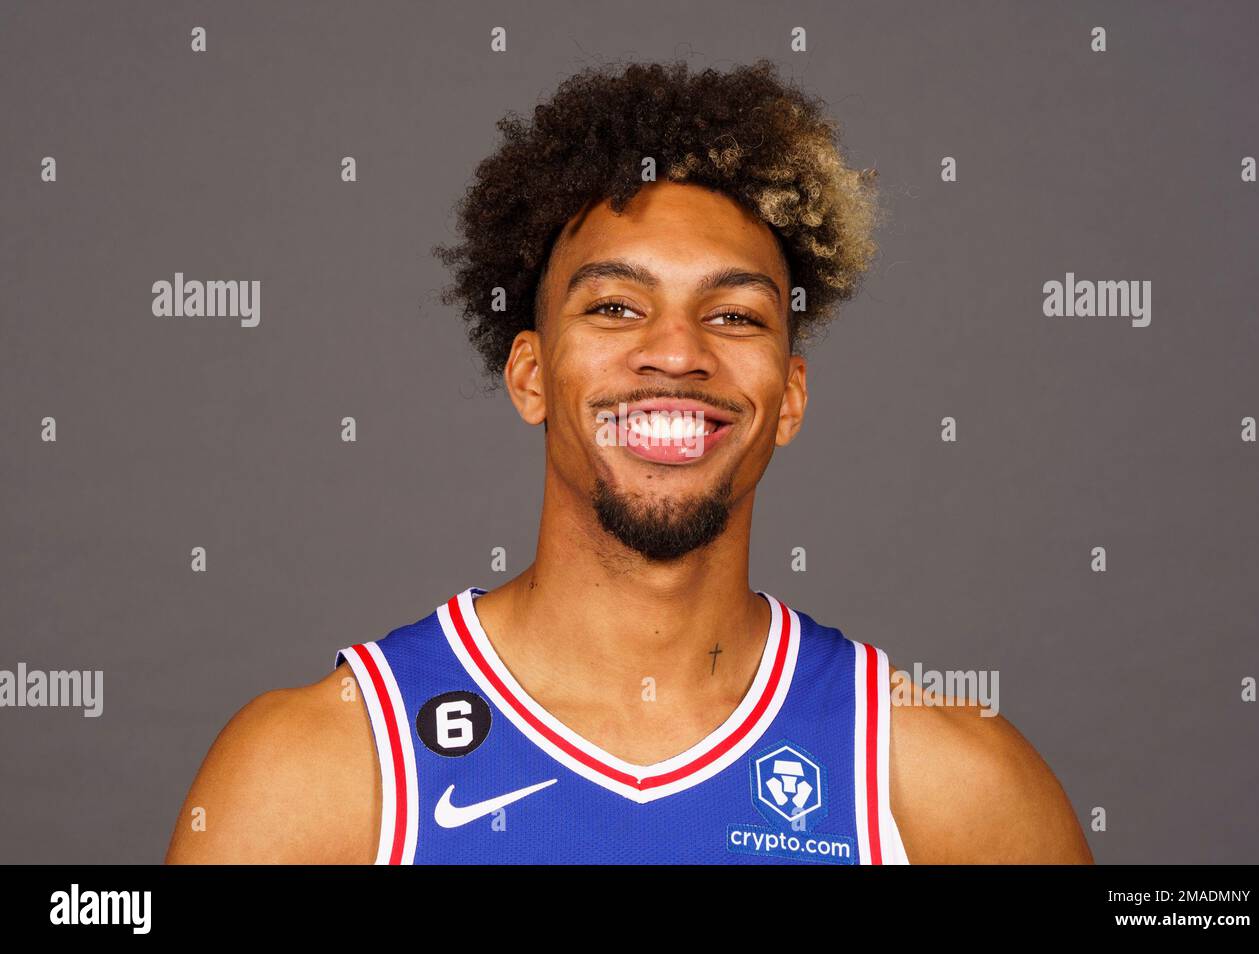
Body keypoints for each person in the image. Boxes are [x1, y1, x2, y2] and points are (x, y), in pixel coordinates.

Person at [165, 59, 1093, 864]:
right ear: (529, 373)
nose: (678, 352)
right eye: (615, 307)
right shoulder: (323, 767)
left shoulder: (943, 785)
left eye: (734, 316)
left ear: (791, 398)